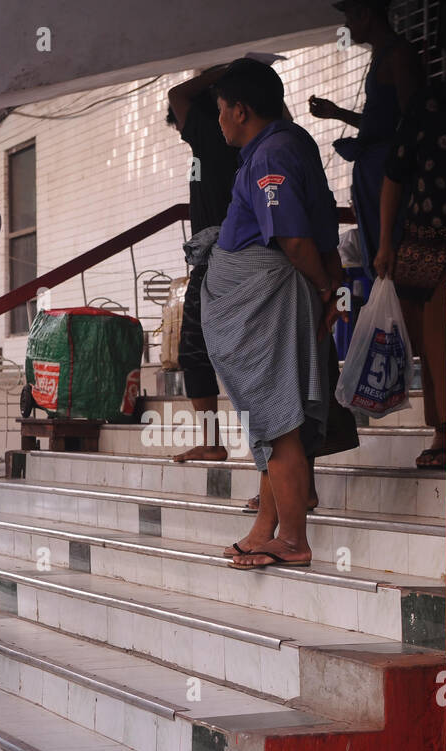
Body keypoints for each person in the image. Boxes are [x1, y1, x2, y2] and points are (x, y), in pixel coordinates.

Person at [198, 58, 345, 570]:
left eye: (220, 112)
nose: (218, 122)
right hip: (277, 291)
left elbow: (295, 237)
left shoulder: (271, 156)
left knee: (279, 422)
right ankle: (267, 528)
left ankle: (295, 541)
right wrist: (328, 285)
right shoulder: (290, 140)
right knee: (272, 417)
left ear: (240, 110)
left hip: (269, 297)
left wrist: (326, 285)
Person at [373, 29, 446, 470]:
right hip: (427, 243)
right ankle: (444, 430)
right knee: (435, 341)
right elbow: (394, 174)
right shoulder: (428, 107)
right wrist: (385, 242)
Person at [310, 0, 419, 278]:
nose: (346, 26)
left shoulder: (398, 54)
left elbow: (410, 119)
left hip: (388, 168)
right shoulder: (381, 54)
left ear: (366, 15)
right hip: (374, 166)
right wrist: (336, 113)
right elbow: (380, 121)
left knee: (392, 249)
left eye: (350, 18)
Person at [168, 65, 244, 463]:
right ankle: (215, 441)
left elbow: (176, 96)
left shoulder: (211, 133)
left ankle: (221, 442)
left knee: (198, 350)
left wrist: (219, 73)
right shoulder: (248, 141)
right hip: (223, 254)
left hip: (224, 256)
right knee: (200, 350)